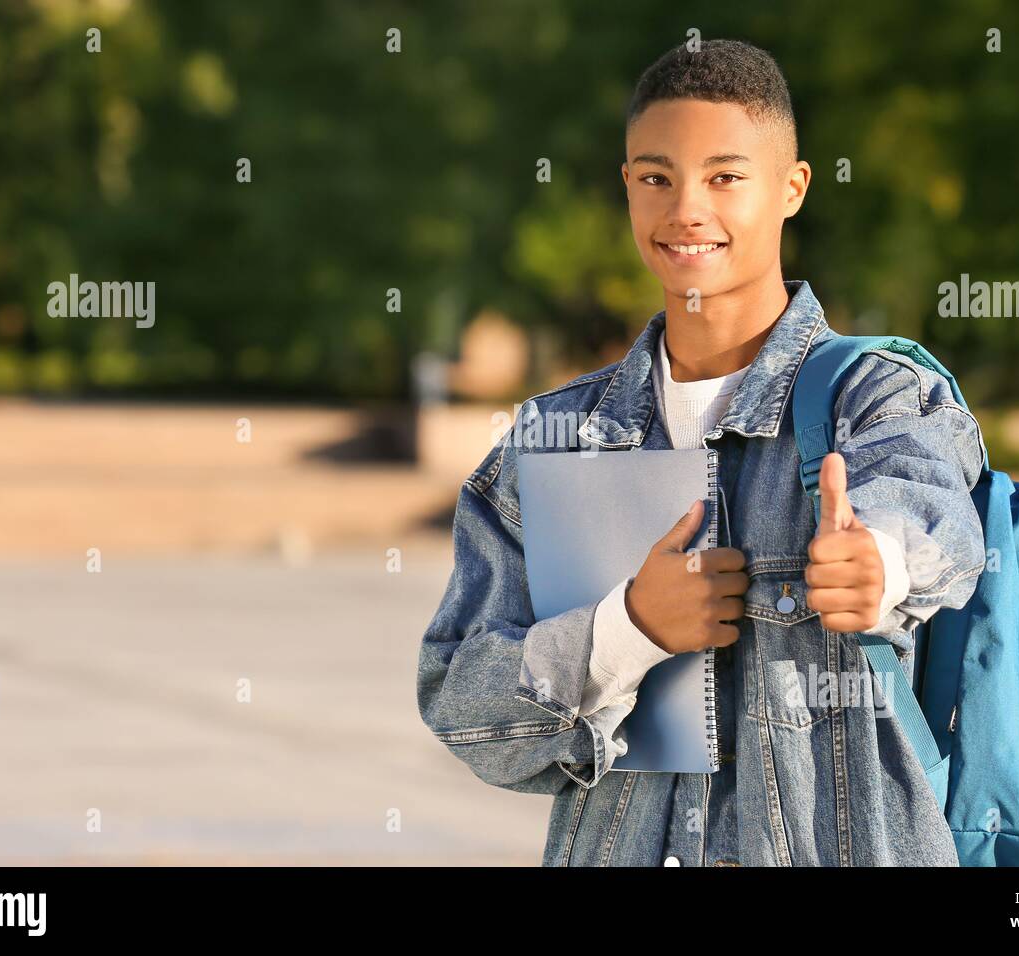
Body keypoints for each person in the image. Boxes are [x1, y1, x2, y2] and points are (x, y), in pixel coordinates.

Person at [416, 38, 986, 866]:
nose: (686, 208)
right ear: (627, 188)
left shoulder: (876, 393)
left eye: (725, 178)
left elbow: (933, 508)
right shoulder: (553, 440)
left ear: (791, 189)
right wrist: (629, 628)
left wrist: (881, 565)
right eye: (656, 178)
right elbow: (461, 702)